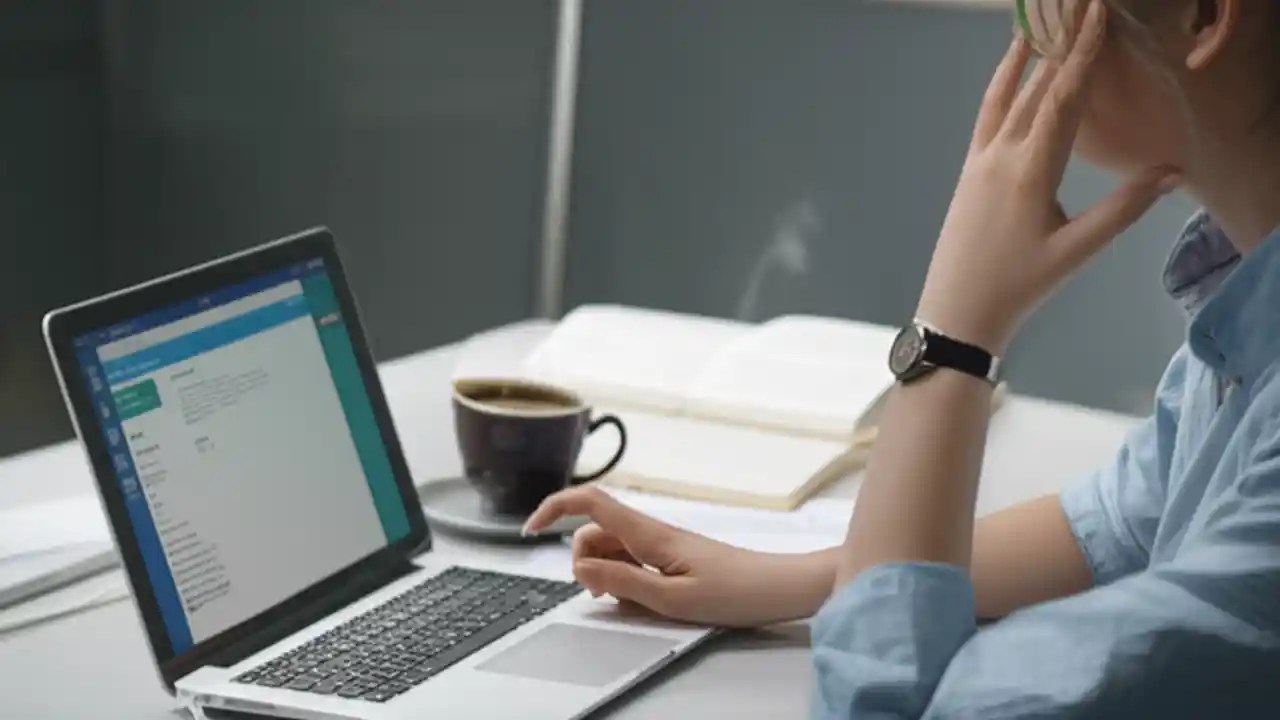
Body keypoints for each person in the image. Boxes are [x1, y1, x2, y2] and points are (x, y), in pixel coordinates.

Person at [524, 0, 1280, 715]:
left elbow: (887, 708)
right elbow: (1113, 527)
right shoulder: (1241, 314)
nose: (1024, 36)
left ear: (1205, 13)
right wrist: (785, 579)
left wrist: (953, 336)